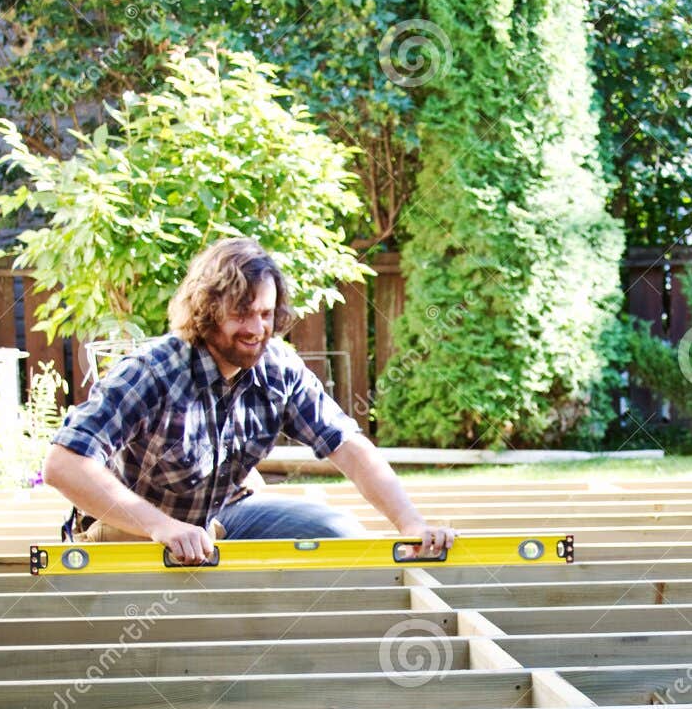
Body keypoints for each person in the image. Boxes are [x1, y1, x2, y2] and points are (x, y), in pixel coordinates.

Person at [43, 238, 455, 563]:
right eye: (242, 313)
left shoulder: (277, 368)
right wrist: (160, 527)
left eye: (266, 313)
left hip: (218, 518)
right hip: (130, 528)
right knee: (175, 562)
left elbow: (349, 446)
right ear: (207, 310)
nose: (257, 328)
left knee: (339, 534)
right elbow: (63, 465)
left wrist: (410, 523)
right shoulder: (153, 371)